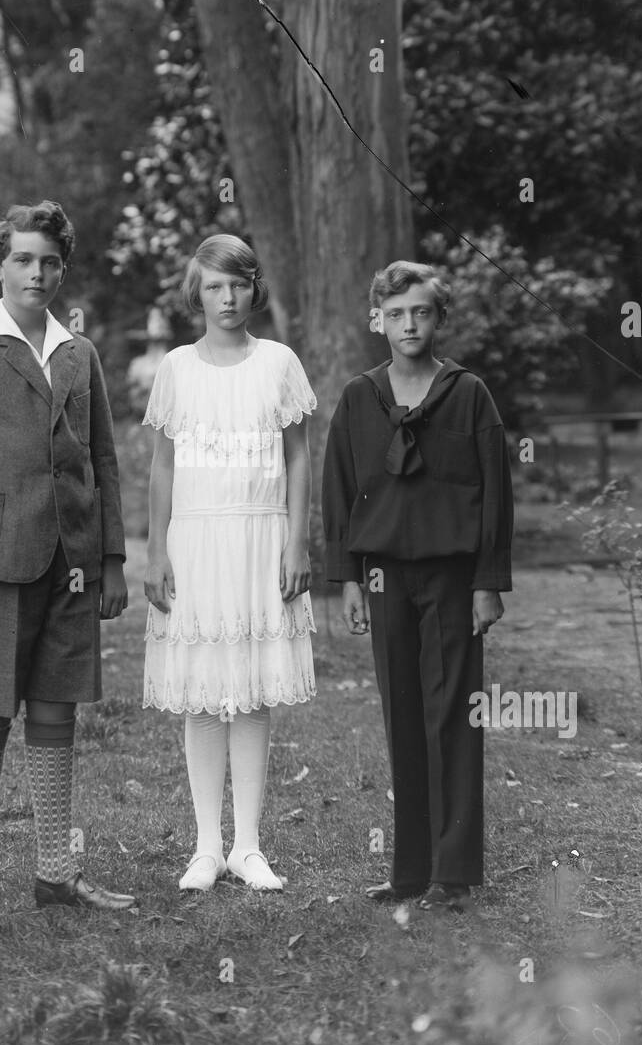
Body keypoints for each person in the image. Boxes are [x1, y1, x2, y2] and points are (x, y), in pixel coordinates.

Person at [0, 199, 135, 922]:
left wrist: (110, 560)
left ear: (61, 270)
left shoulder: (79, 353)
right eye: (22, 260)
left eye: (48, 262)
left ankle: (55, 871)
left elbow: (101, 457)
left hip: (71, 563)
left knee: (54, 707)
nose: (35, 273)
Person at [322, 261, 513, 911]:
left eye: (422, 312)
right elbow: (339, 492)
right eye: (397, 313)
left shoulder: (469, 394)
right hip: (384, 576)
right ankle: (408, 872)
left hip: (455, 577)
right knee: (402, 710)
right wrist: (345, 580)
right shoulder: (358, 398)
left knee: (455, 712)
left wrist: (488, 583)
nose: (410, 324)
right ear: (378, 319)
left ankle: (453, 874)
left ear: (438, 318)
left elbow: (495, 497)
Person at [142, 235, 316, 892]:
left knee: (249, 689)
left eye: (238, 284)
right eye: (215, 286)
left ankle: (248, 845)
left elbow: (299, 456)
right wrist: (155, 549)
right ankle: (206, 846)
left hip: (259, 540)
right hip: (196, 543)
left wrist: (298, 541)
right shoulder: (177, 370)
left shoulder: (278, 363)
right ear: (198, 293)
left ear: (253, 289)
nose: (228, 298)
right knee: (202, 693)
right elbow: (162, 467)